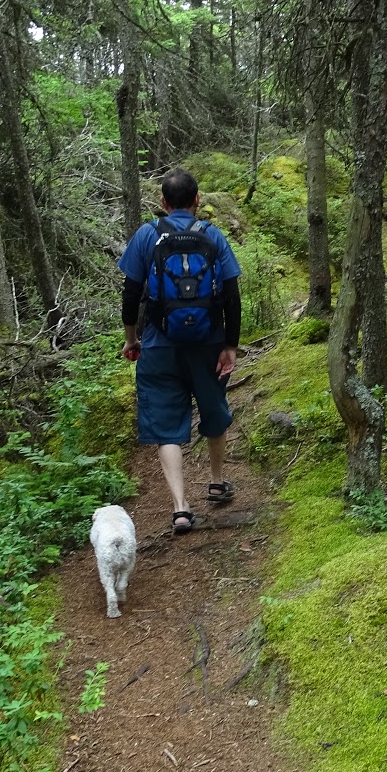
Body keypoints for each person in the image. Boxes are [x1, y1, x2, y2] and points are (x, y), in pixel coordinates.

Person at [118, 169, 242, 534]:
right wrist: (230, 345)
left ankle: (180, 508)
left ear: (162, 202)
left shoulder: (146, 235)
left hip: (159, 343)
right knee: (214, 409)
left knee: (167, 425)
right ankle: (217, 482)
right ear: (197, 200)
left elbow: (130, 292)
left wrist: (131, 338)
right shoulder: (213, 236)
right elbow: (232, 296)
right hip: (208, 343)